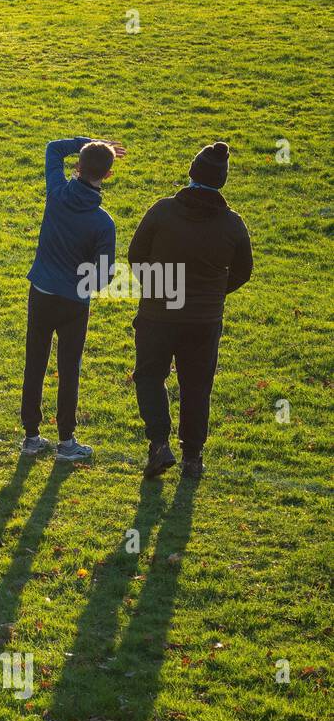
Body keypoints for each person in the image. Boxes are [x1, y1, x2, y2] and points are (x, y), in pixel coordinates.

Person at [129, 142, 252, 479]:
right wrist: (213, 293)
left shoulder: (163, 211)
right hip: (204, 320)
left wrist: (159, 287)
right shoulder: (232, 224)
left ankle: (158, 444)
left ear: (192, 173)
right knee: (197, 386)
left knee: (150, 377)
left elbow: (136, 255)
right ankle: (193, 458)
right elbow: (243, 272)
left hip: (158, 314)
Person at [18, 136, 124, 462]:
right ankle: (66, 441)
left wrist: (90, 142)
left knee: (35, 362)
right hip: (74, 302)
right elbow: (104, 275)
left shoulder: (57, 192)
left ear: (77, 166)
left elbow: (51, 148)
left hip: (41, 292)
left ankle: (32, 437)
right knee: (69, 368)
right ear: (107, 176)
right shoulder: (103, 223)